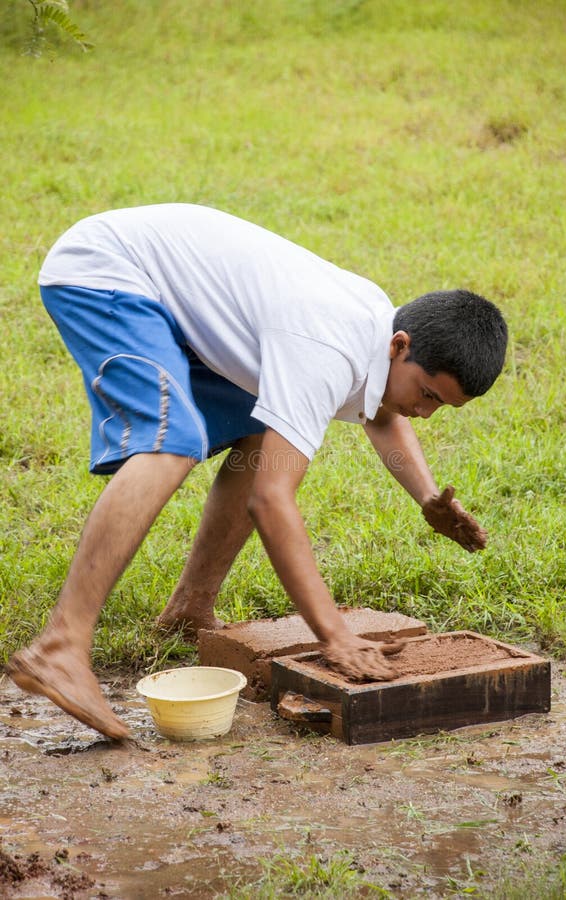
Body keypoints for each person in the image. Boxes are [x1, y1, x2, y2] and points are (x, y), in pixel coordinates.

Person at [7, 204, 508, 740]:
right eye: (428, 395)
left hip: (163, 291)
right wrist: (332, 633)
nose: (425, 413)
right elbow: (271, 500)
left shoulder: (378, 327)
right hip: (107, 271)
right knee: (170, 440)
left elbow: (384, 412)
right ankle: (59, 646)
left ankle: (189, 608)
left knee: (259, 427)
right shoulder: (327, 345)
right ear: (400, 346)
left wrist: (428, 497)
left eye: (441, 407)